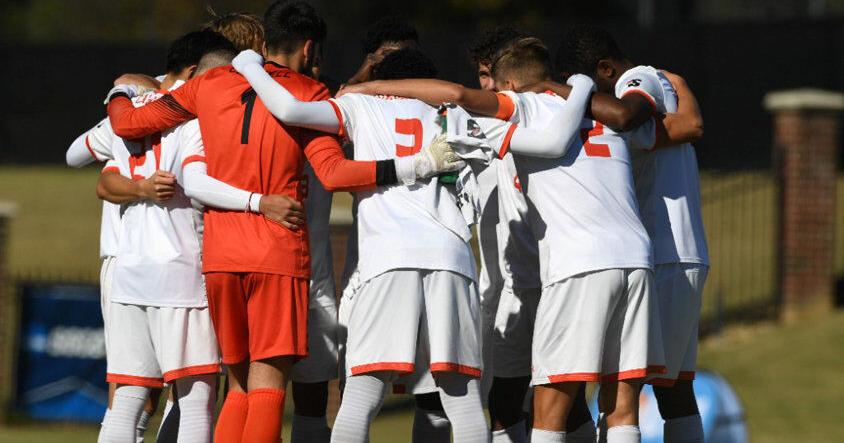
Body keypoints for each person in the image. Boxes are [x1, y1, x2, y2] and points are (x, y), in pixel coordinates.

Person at [103, 2, 461, 441]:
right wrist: (412, 165)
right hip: (277, 252)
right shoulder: (309, 95)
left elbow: (129, 124)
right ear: (311, 48)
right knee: (269, 388)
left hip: (219, 255)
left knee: (236, 387)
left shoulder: (210, 85)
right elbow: (334, 173)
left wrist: (119, 91)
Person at [340, 37, 673, 443]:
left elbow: (457, 95)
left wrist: (370, 87)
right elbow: (671, 128)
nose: (489, 95)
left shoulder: (522, 108)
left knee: (551, 403)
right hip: (638, 259)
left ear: (510, 85)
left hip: (578, 264)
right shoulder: (604, 111)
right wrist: (583, 86)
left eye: (494, 86)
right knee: (622, 408)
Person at [233, 46, 489, 443]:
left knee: (362, 394)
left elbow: (290, 110)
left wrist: (250, 65)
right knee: (462, 398)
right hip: (451, 255)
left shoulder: (358, 104)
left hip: (389, 257)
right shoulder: (454, 114)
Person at [65, 30, 234, 443]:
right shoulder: (198, 120)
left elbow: (100, 177)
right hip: (179, 272)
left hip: (130, 272)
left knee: (128, 396)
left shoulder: (126, 114)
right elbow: (198, 184)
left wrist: (121, 90)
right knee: (196, 396)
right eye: (224, 75)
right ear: (196, 73)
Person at [557, 24, 709, 443]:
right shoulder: (664, 85)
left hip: (658, 251)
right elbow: (687, 125)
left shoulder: (634, 80)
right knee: (674, 389)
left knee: (620, 391)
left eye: (586, 84)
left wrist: (555, 92)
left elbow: (656, 122)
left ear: (604, 69)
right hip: (682, 249)